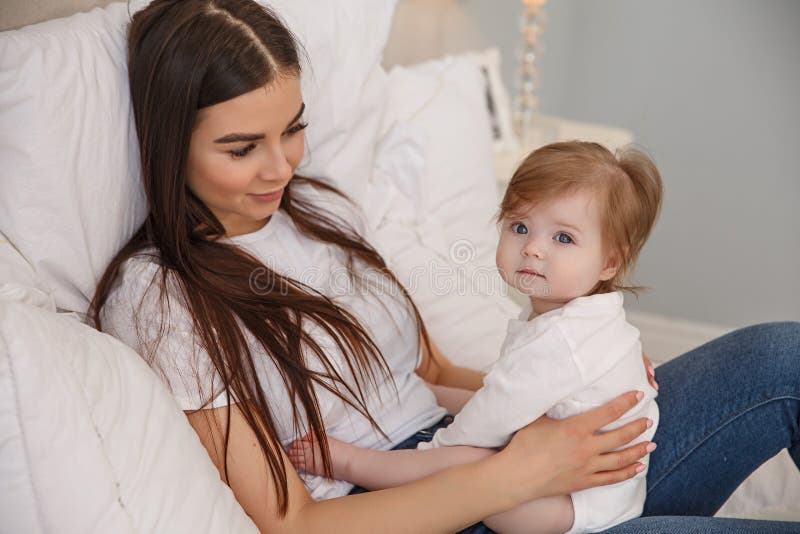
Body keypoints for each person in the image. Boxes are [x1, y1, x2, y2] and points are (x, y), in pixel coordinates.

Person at [88, 1, 800, 532]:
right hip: (429, 508)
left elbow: (429, 374)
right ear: (168, 142)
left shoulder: (321, 209)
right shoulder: (160, 295)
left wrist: (581, 375)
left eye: (294, 128)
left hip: (491, 448)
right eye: (242, 148)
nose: (281, 167)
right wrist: (514, 475)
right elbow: (294, 523)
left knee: (784, 359)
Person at [288, 141, 663, 534]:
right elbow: (505, 396)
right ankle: (422, 396)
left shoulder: (560, 340)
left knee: (466, 461)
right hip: (607, 486)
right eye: (519, 227)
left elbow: (488, 420)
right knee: (488, 415)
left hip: (573, 507)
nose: (533, 248)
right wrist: (428, 391)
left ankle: (351, 462)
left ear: (609, 262)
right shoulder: (590, 318)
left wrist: (440, 447)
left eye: (563, 238)